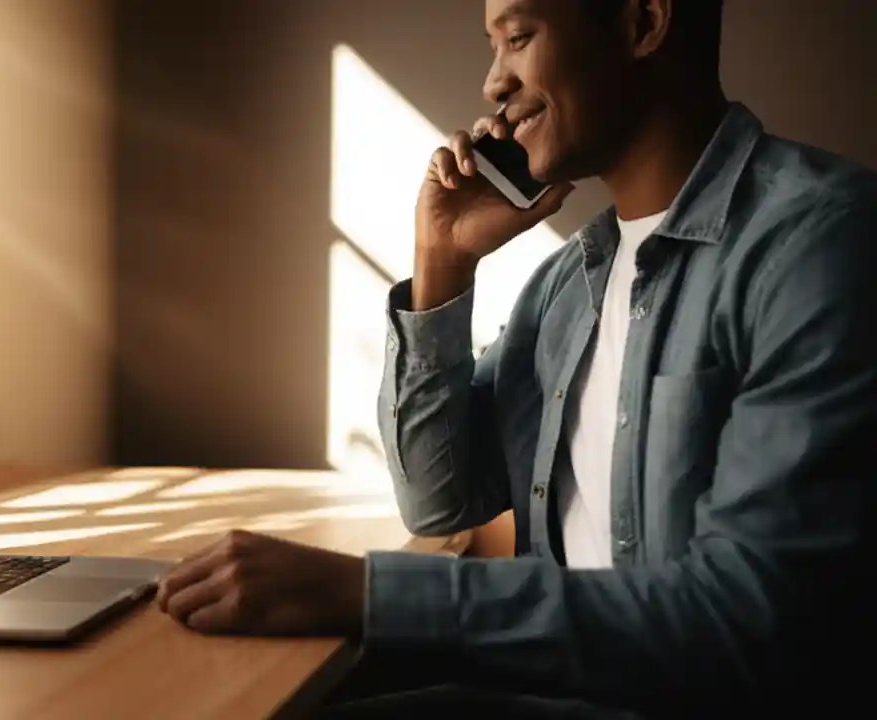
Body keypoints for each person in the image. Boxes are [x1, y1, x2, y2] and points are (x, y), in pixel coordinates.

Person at [155, 0, 876, 712]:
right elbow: (440, 499)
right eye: (493, 46)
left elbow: (743, 615)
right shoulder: (569, 283)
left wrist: (363, 591)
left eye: (519, 37)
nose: (493, 84)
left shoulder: (818, 246)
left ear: (642, 25)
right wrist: (442, 263)